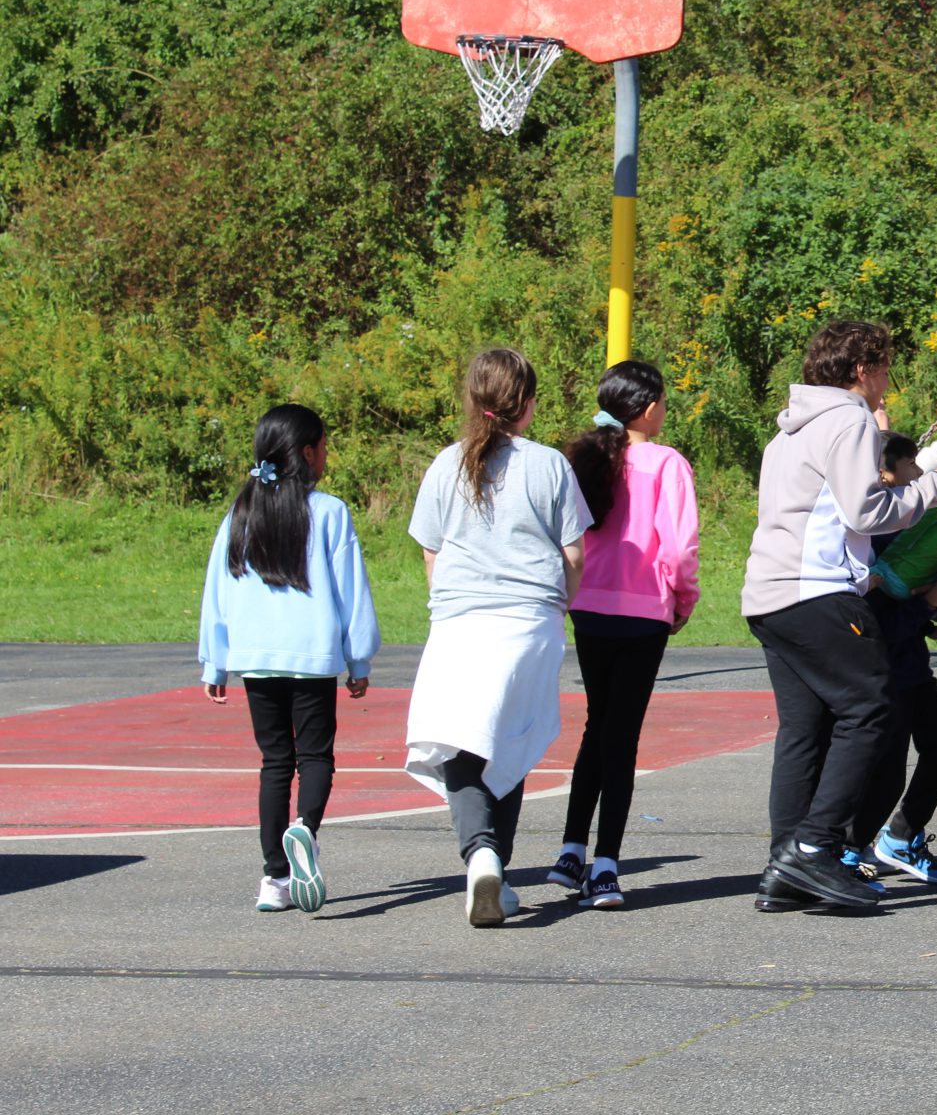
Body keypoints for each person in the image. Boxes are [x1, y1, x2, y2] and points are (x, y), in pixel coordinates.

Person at [742, 320, 937, 912]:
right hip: (815, 591)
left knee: (804, 732)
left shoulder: (789, 430)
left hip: (769, 596)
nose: (887, 380)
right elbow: (868, 511)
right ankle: (816, 850)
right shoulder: (848, 418)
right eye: (886, 367)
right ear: (863, 369)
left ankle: (785, 867)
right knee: (871, 706)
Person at [405, 348, 593, 927]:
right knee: (508, 739)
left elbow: (431, 552)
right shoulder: (550, 466)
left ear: (473, 401)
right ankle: (497, 874)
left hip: (462, 620)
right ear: (528, 406)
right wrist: (559, 601)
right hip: (528, 622)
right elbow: (575, 554)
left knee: (459, 740)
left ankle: (481, 857)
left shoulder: (445, 464)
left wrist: (448, 606)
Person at [198, 403, 379, 914]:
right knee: (316, 756)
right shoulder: (329, 511)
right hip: (313, 656)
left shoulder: (240, 511)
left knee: (274, 763)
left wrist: (215, 661)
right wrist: (358, 659)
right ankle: (305, 830)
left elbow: (219, 591)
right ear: (306, 452)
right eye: (323, 445)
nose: (326, 455)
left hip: (256, 657)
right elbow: (351, 590)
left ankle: (274, 879)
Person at [544, 360, 700, 911]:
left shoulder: (583, 459)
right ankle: (606, 864)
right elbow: (679, 547)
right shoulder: (667, 464)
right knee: (622, 735)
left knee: (598, 724)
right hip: (642, 613)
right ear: (646, 406)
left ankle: (570, 851)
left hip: (588, 607)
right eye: (661, 399)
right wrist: (684, 599)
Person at [848, 432, 937, 886]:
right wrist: (928, 605)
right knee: (883, 776)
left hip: (911, 668)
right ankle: (846, 852)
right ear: (887, 475)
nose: (919, 481)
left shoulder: (902, 530)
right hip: (885, 674)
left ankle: (900, 837)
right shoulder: (874, 540)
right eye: (913, 472)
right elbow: (878, 628)